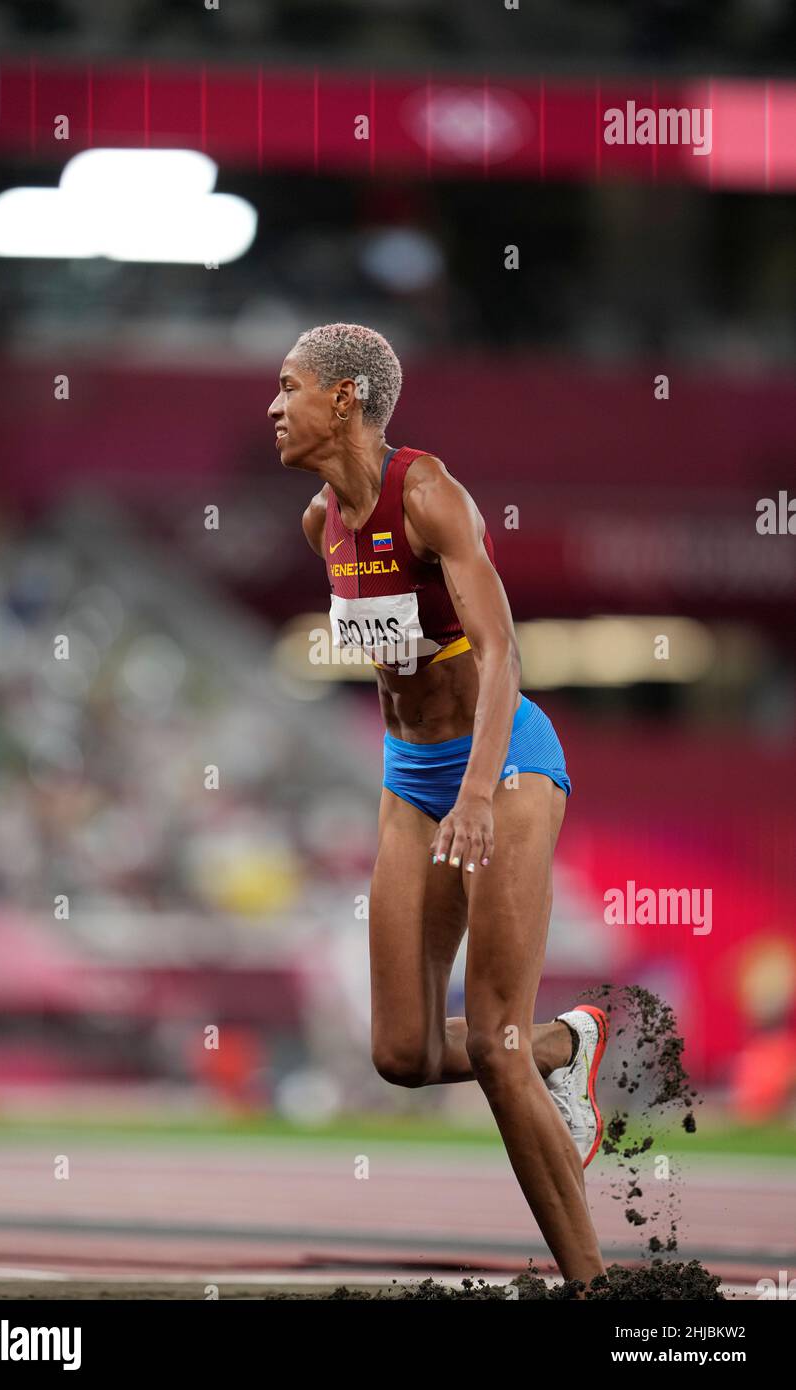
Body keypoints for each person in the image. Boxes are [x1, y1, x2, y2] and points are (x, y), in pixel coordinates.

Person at [268, 322, 608, 1287]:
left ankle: (598, 1289)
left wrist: (476, 792)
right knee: (402, 1054)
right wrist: (433, 785)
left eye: (289, 387)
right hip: (411, 779)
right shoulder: (319, 524)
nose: (273, 407)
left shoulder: (427, 495)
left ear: (344, 398)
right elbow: (395, 662)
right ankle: (564, 1046)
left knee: (493, 1043)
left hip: (502, 767)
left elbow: (502, 653)